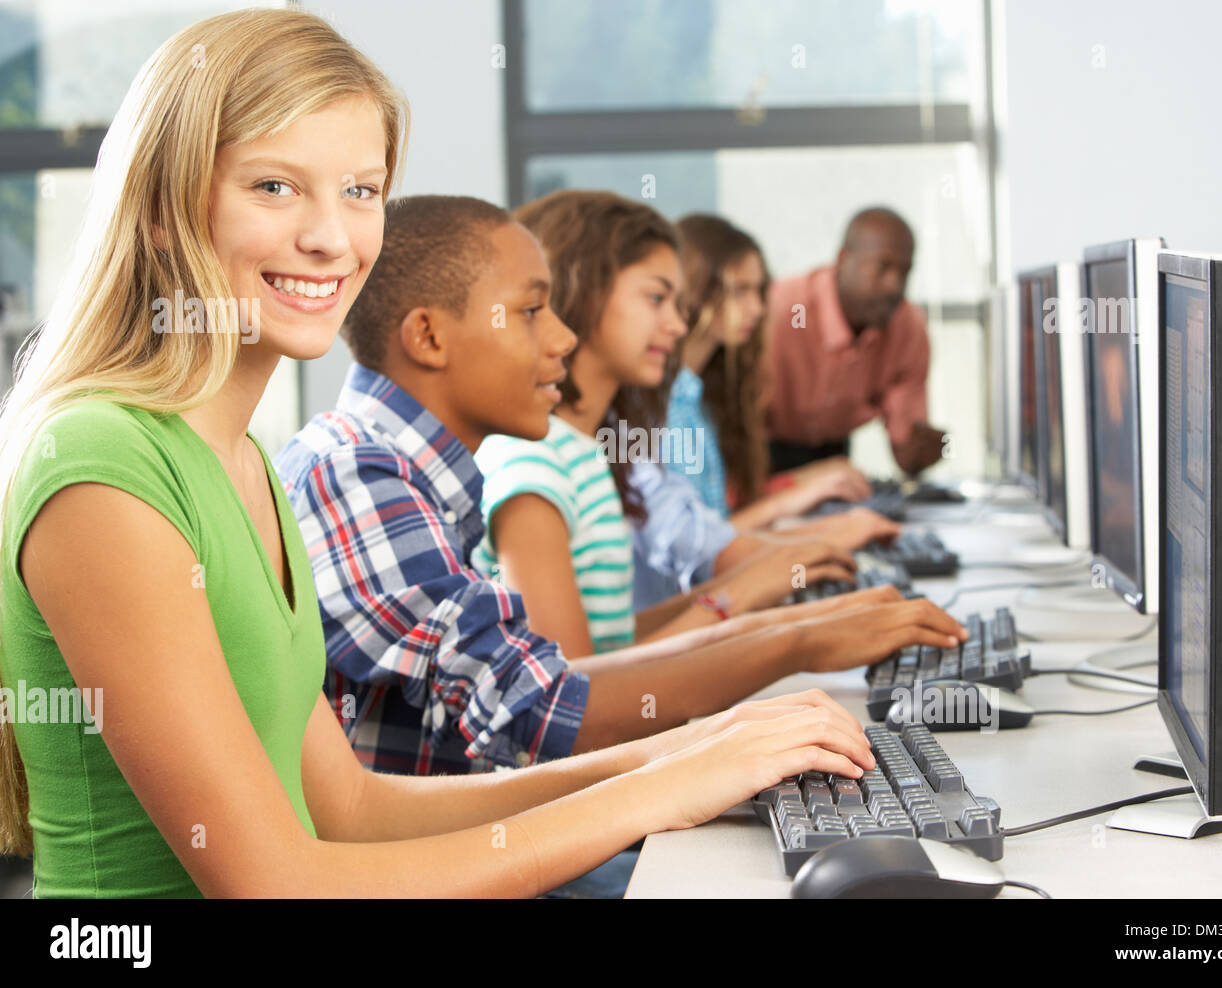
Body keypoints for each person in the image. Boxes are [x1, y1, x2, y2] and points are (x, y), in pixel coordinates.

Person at [0, 10, 880, 898]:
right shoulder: (104, 465)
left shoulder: (244, 464)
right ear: (164, 210)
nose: (331, 238)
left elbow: (349, 810)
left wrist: (688, 750)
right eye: (273, 187)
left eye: (360, 191)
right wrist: (661, 789)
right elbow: (276, 884)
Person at [276, 194, 968, 777]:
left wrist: (797, 623)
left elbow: (560, 667)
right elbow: (545, 709)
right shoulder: (362, 476)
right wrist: (793, 643)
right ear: (428, 336)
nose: (562, 339)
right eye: (529, 312)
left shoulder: (425, 480)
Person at [473, 190, 965, 664]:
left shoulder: (592, 449)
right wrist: (769, 621)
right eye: (656, 299)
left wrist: (792, 614)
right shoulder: (534, 459)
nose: (678, 324)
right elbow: (571, 702)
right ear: (585, 295)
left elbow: (615, 641)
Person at [667, 213, 884, 530]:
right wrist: (792, 502)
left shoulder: (699, 394)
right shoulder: (668, 405)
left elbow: (724, 508)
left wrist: (803, 480)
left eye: (758, 291)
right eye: (739, 291)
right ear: (696, 289)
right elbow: (700, 544)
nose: (757, 308)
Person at [764, 206, 948, 477]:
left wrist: (926, 450)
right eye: (882, 268)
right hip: (760, 450)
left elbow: (906, 451)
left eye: (905, 272)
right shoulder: (791, 310)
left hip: (833, 454)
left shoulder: (907, 327)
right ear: (842, 259)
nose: (894, 286)